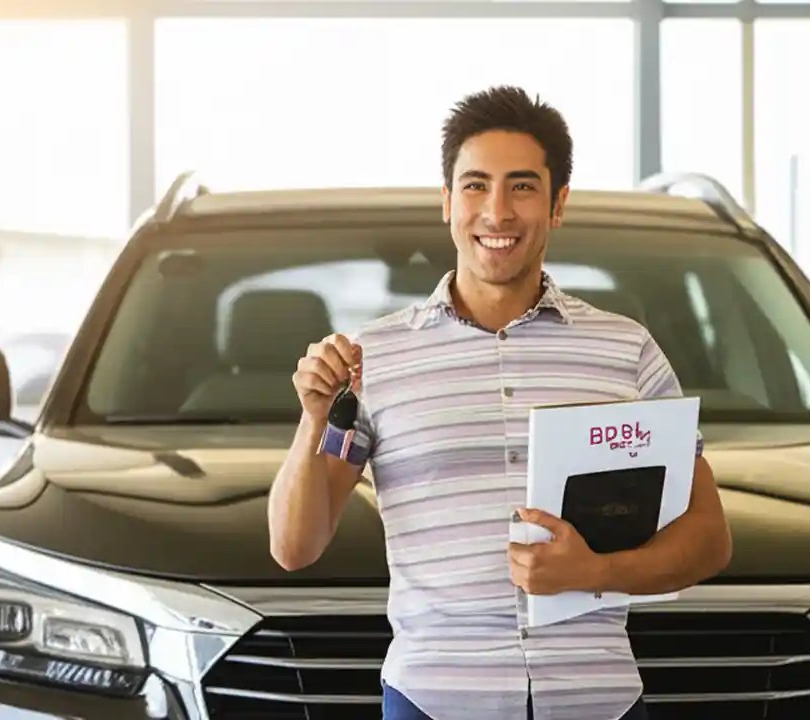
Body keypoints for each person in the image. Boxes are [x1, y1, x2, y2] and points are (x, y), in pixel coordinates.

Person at [268, 85, 733, 720]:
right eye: (475, 185)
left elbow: (708, 538)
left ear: (558, 203)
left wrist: (593, 573)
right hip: (435, 700)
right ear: (447, 202)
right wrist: (313, 418)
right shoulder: (373, 361)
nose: (497, 211)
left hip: (596, 700)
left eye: (522, 187)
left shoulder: (628, 352)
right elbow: (294, 546)